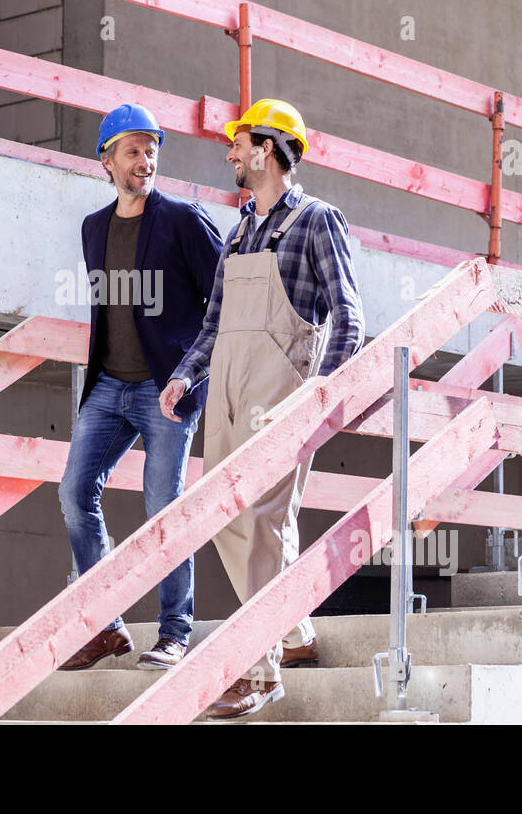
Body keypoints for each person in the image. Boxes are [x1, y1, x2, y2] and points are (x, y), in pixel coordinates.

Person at [159, 98, 365, 718]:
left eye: (238, 142)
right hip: (225, 391)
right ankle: (296, 632)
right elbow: (215, 322)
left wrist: (314, 396)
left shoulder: (319, 221)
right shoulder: (241, 230)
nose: (229, 152)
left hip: (281, 397)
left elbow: (349, 319)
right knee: (225, 517)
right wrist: (183, 377)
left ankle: (258, 670)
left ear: (268, 150)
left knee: (268, 525)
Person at [57, 103, 223, 671]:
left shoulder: (183, 219)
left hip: (164, 391)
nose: (146, 158)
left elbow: (222, 302)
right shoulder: (93, 228)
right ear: (107, 159)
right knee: (76, 495)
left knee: (163, 508)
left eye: (152, 148)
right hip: (108, 386)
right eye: (133, 149)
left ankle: (176, 630)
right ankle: (105, 626)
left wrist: (191, 372)